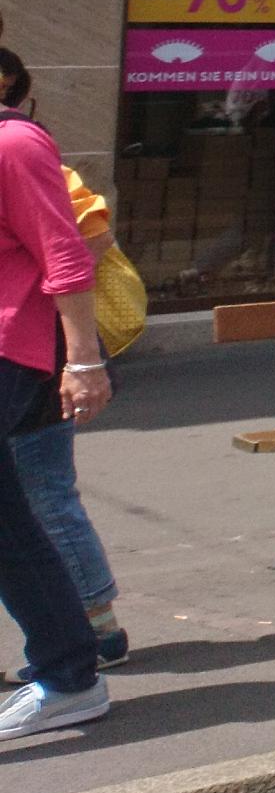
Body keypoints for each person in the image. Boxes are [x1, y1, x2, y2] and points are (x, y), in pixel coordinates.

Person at [0, 51, 120, 682]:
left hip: (30, 355)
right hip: (32, 355)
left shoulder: (20, 146)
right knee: (29, 505)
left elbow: (77, 250)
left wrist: (83, 359)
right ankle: (78, 638)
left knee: (43, 493)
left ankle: (89, 634)